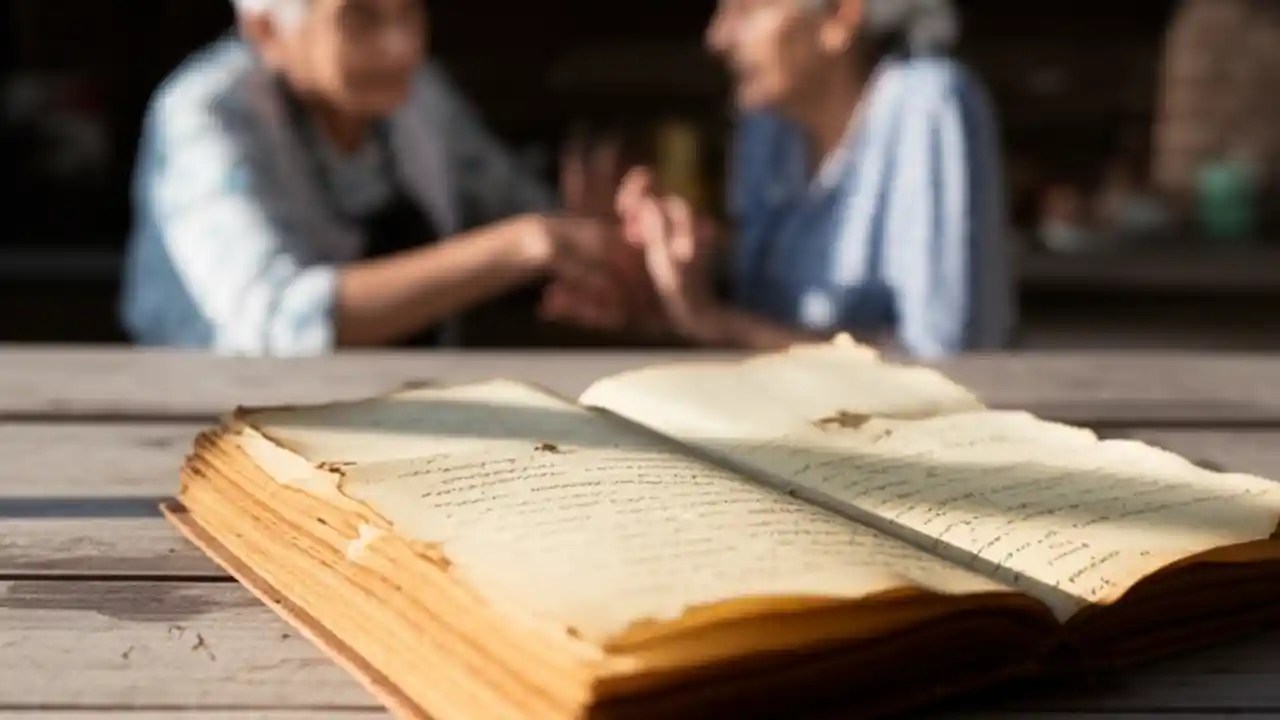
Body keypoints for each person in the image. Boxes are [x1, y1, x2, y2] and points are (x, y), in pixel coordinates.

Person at [120, 0, 626, 355]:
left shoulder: (418, 98)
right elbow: (273, 323)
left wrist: (592, 244)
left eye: (409, 11)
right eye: (359, 16)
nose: (400, 46)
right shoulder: (206, 114)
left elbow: (513, 206)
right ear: (267, 31)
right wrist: (520, 247)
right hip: (213, 426)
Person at [552, 0, 1014, 358]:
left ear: (838, 17)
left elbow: (948, 361)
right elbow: (761, 317)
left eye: (747, 10)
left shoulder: (927, 104)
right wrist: (655, 274)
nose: (717, 38)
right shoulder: (769, 125)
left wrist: (717, 322)